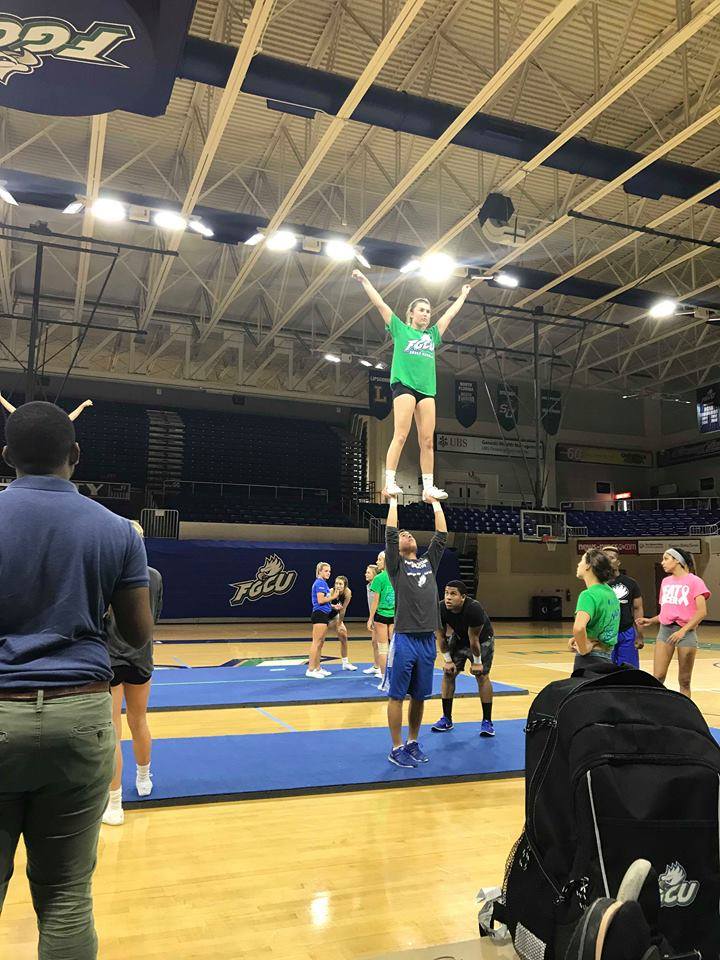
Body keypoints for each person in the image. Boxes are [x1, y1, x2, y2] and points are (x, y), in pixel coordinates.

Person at [0, 401, 153, 959]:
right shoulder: (117, 531)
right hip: (81, 717)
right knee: (66, 897)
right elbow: (137, 634)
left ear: (6, 457)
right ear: (76, 455)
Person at [352, 268, 473, 502]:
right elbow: (380, 305)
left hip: (426, 390)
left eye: (428, 311)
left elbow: (449, 315)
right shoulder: (400, 329)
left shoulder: (432, 336)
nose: (426, 314)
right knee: (401, 434)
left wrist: (463, 295)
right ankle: (389, 481)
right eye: (422, 310)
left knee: (427, 441)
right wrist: (365, 280)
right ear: (411, 314)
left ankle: (428, 487)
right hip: (404, 386)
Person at [103, 520, 164, 826]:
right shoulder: (153, 576)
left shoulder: (108, 574)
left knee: (113, 728)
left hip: (112, 658)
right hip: (141, 656)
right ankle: (143, 777)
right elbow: (154, 616)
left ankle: (115, 804)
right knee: (139, 720)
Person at [383, 492, 447, 768]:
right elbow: (390, 532)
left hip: (426, 641)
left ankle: (412, 741)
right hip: (405, 638)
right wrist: (394, 502)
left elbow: (441, 535)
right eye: (402, 535)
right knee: (398, 694)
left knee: (420, 696)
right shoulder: (396, 567)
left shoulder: (428, 562)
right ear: (395, 548)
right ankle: (396, 747)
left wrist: (435, 503)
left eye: (409, 533)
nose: (406, 535)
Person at [636, 547, 710, 699]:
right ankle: (657, 709)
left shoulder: (695, 581)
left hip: (686, 632)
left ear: (677, 560)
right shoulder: (666, 582)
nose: (662, 562)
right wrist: (651, 620)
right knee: (658, 676)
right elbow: (667, 611)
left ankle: (686, 714)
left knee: (684, 680)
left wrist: (683, 631)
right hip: (665, 631)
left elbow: (702, 612)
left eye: (666, 558)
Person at [432, 580, 496, 736]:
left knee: (482, 676)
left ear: (463, 597)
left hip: (481, 640)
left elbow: (473, 639)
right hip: (460, 638)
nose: (448, 597)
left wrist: (478, 663)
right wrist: (448, 660)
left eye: (453, 594)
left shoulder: (474, 609)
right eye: (446, 593)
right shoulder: (440, 608)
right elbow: (440, 637)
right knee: (448, 674)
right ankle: (446, 719)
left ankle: (487, 721)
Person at [569, 549, 620, 671]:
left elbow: (579, 628)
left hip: (589, 659)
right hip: (607, 657)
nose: (578, 564)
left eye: (581, 561)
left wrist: (583, 649)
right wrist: (580, 639)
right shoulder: (610, 592)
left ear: (588, 565)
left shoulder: (588, 595)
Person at [601, 545, 645, 668]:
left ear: (618, 562)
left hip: (626, 631)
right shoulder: (597, 584)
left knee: (629, 671)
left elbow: (637, 609)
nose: (609, 561)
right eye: (605, 559)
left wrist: (639, 634)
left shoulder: (631, 583)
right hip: (605, 633)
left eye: (612, 558)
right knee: (605, 671)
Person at [306, 561, 341, 679]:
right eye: (326, 571)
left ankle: (318, 667)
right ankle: (310, 669)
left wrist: (333, 606)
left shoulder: (323, 584)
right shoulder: (320, 583)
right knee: (316, 642)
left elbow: (323, 602)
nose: (328, 573)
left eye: (329, 571)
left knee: (320, 643)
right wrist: (334, 597)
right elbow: (320, 600)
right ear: (319, 571)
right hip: (319, 615)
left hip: (324, 613)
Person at [367, 550, 395, 683]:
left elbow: (375, 601)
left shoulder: (378, 579)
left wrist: (370, 618)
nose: (377, 562)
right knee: (394, 648)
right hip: (395, 616)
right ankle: (393, 678)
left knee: (383, 649)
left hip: (382, 616)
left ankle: (385, 680)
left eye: (379, 559)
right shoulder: (397, 577)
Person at [328, 575, 357, 671]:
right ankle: (315, 666)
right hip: (325, 615)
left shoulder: (348, 592)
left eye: (340, 584)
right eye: (336, 583)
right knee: (320, 640)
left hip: (335, 616)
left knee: (343, 635)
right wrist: (333, 606)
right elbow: (323, 604)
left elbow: (343, 609)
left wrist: (340, 623)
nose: (338, 586)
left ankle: (345, 663)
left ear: (345, 586)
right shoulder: (331, 591)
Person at [0, 391, 94, 421]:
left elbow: (68, 419)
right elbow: (15, 411)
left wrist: (82, 406)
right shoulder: (33, 422)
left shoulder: (51, 424)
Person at [363, 563, 380, 675]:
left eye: (368, 572)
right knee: (374, 643)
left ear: (375, 575)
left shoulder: (378, 586)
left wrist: (373, 618)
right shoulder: (369, 586)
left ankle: (382, 668)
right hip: (374, 619)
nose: (366, 574)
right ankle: (376, 666)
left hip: (380, 618)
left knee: (380, 643)